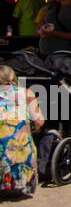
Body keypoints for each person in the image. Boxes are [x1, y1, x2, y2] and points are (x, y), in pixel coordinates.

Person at [0, 64, 44, 199]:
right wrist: (31, 130)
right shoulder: (25, 93)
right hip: (20, 152)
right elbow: (39, 121)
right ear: (12, 76)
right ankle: (20, 182)